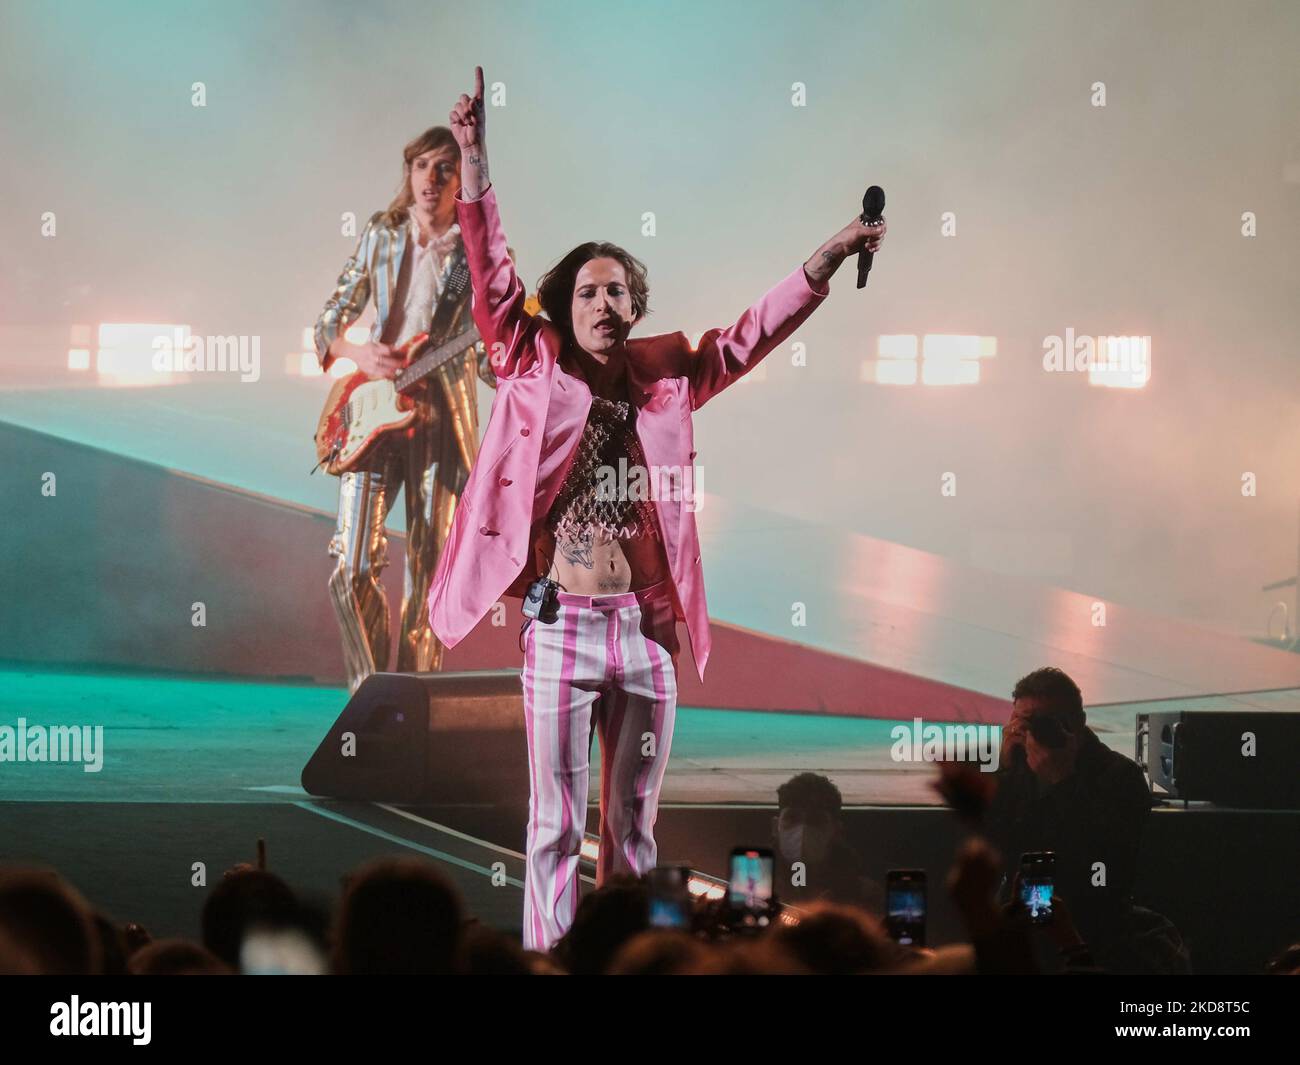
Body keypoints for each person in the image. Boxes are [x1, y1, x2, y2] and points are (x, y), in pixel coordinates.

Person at [428, 66, 887, 951]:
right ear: (565, 306)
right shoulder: (532, 364)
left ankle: (628, 964)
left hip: (642, 632)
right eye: (589, 290)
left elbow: (748, 335)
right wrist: (478, 158)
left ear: (636, 305)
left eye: (619, 291)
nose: (605, 301)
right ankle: (553, 966)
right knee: (555, 826)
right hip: (559, 627)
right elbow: (491, 274)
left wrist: (824, 259)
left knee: (633, 835)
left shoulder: (669, 372)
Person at [314, 126, 496, 692]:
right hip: (372, 412)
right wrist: (355, 351)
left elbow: (494, 355)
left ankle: (413, 711)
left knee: (428, 575)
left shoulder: (478, 251)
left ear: (460, 179)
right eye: (422, 166)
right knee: (351, 568)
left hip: (442, 419)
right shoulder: (381, 233)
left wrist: (519, 358)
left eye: (446, 168)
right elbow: (328, 323)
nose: (432, 180)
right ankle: (369, 699)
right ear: (409, 172)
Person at [987, 666, 1151, 951]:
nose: (1033, 734)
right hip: (1020, 921)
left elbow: (1109, 863)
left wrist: (1062, 781)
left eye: (1045, 723)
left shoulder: (1120, 775)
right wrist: (1004, 770)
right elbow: (993, 845)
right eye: (1023, 721)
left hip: (1092, 927)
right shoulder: (1018, 768)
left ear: (1078, 723)